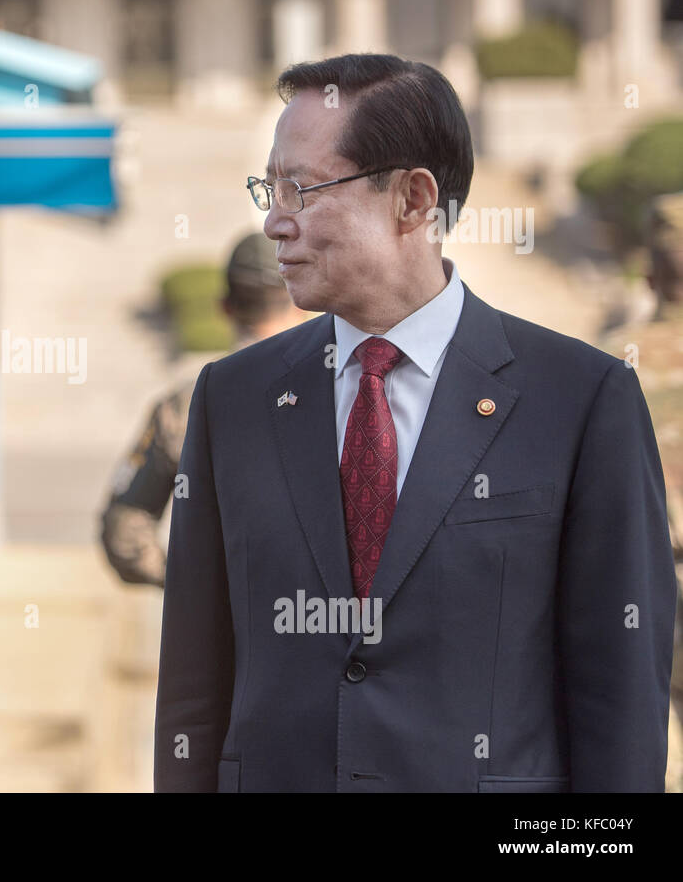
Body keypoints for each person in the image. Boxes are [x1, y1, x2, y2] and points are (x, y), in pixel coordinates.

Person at [155, 54, 677, 792]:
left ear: (412, 199)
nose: (274, 220)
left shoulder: (581, 400)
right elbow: (192, 686)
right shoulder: (230, 398)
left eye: (300, 187)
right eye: (268, 188)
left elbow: (618, 704)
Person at [100, 233, 301, 587]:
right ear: (300, 303)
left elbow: (123, 533)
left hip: (225, 633)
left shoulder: (184, 404)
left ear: (224, 307)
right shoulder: (343, 387)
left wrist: (192, 590)